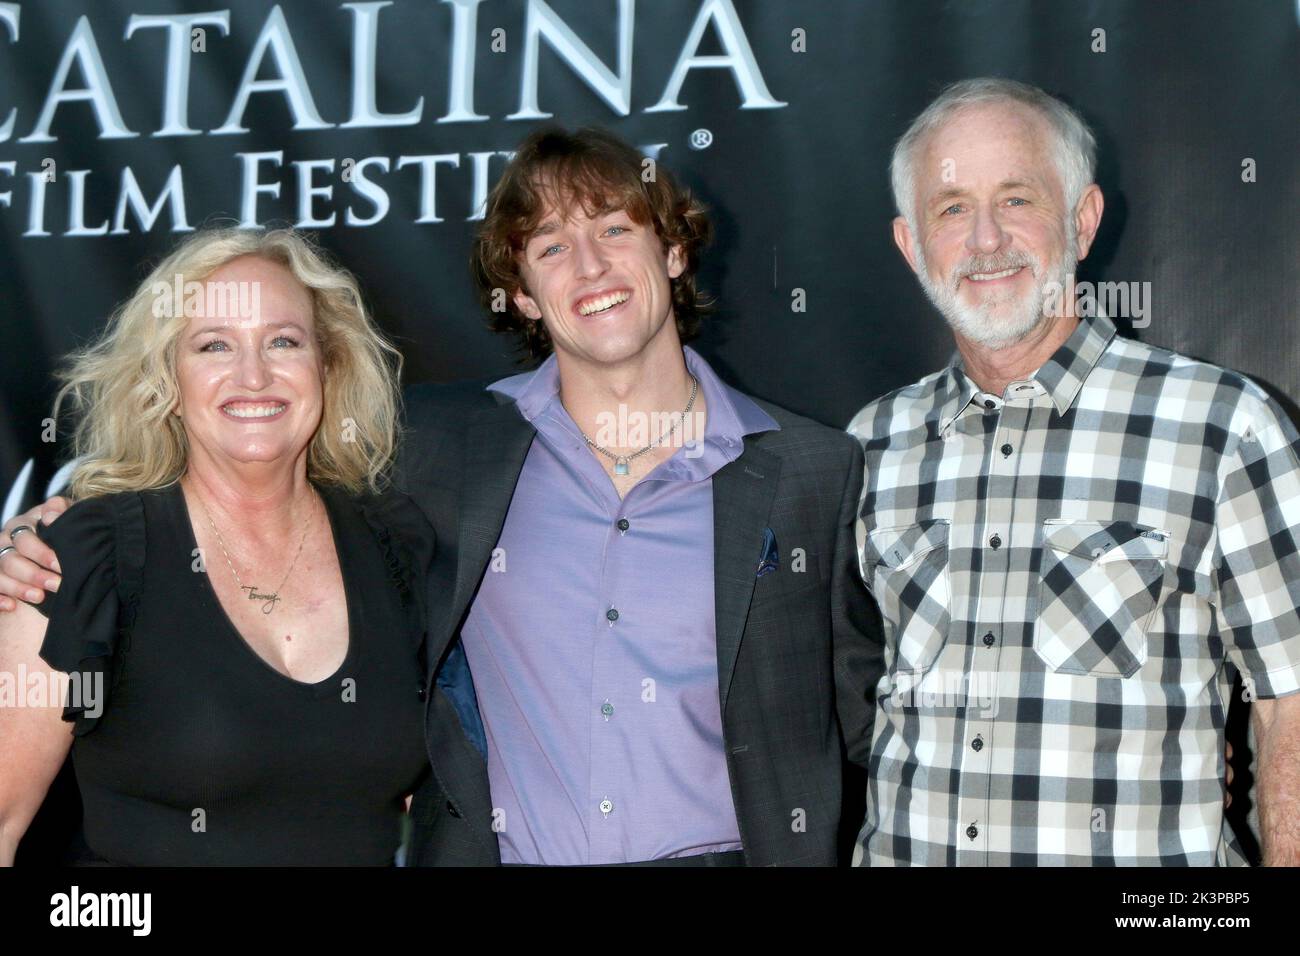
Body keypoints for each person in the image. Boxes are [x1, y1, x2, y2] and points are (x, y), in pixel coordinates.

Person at [3, 128, 883, 867]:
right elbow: (239, 457)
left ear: (676, 249)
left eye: (616, 229)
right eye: (548, 247)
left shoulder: (813, 470)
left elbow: (852, 727)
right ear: (524, 296)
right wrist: (62, 532)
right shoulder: (445, 451)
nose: (589, 266)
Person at [847, 77, 1300, 865]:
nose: (986, 239)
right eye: (952, 208)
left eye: (1017, 199)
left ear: (1082, 221)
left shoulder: (1222, 426)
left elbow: (1291, 706)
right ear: (911, 244)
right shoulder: (870, 444)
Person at [0, 228, 433, 865]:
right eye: (213, 346)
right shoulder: (82, 560)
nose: (253, 375)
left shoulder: (397, 548)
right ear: (167, 381)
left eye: (284, 341)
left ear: (327, 364)